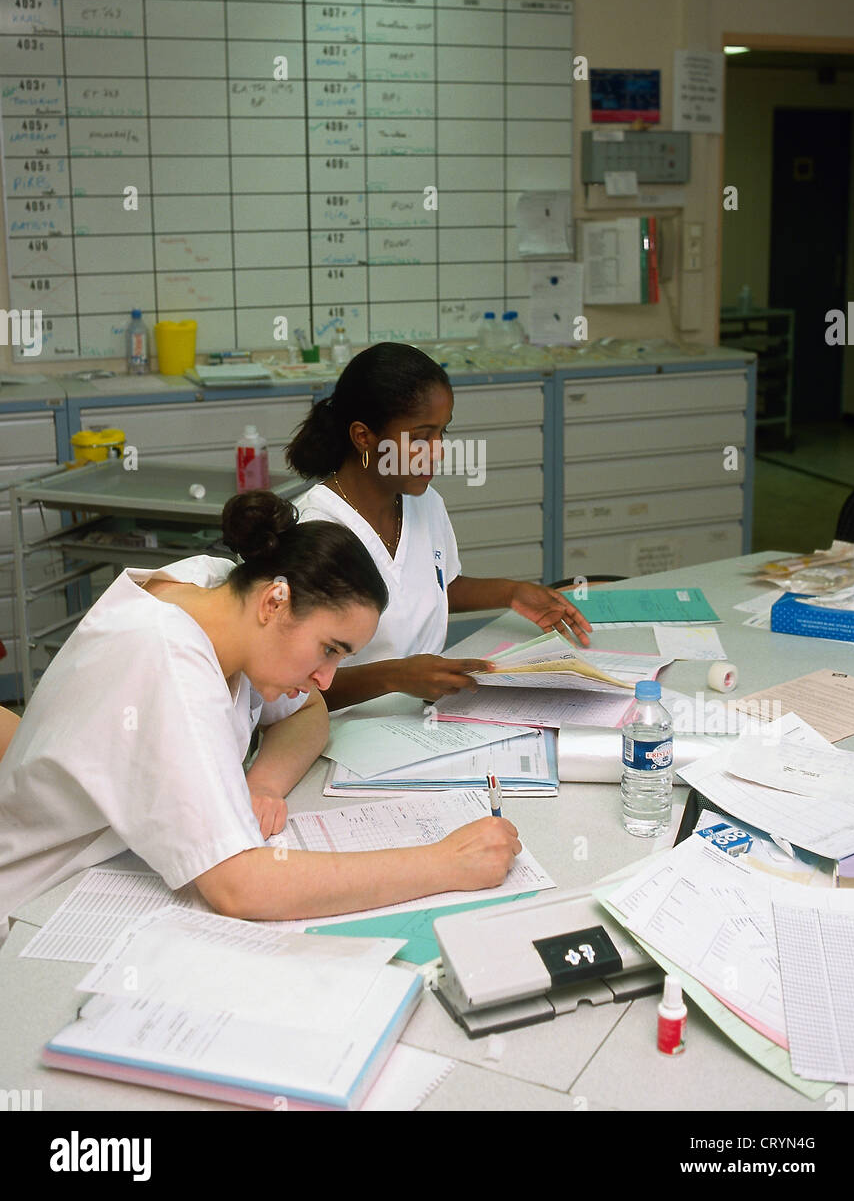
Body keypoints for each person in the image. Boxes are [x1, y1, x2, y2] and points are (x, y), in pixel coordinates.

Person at [0, 491, 520, 942]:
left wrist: (263, 785)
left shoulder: (221, 589)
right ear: (276, 602)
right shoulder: (169, 661)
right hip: (33, 904)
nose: (327, 678)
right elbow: (240, 886)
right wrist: (445, 863)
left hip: (107, 866)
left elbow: (307, 713)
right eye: (329, 649)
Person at [287, 342, 591, 710]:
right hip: (343, 731)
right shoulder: (314, 528)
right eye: (419, 437)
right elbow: (290, 686)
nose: (437, 452)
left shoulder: (423, 502)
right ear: (363, 437)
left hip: (431, 718)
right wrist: (395, 676)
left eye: (441, 434)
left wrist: (511, 593)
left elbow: (432, 585)